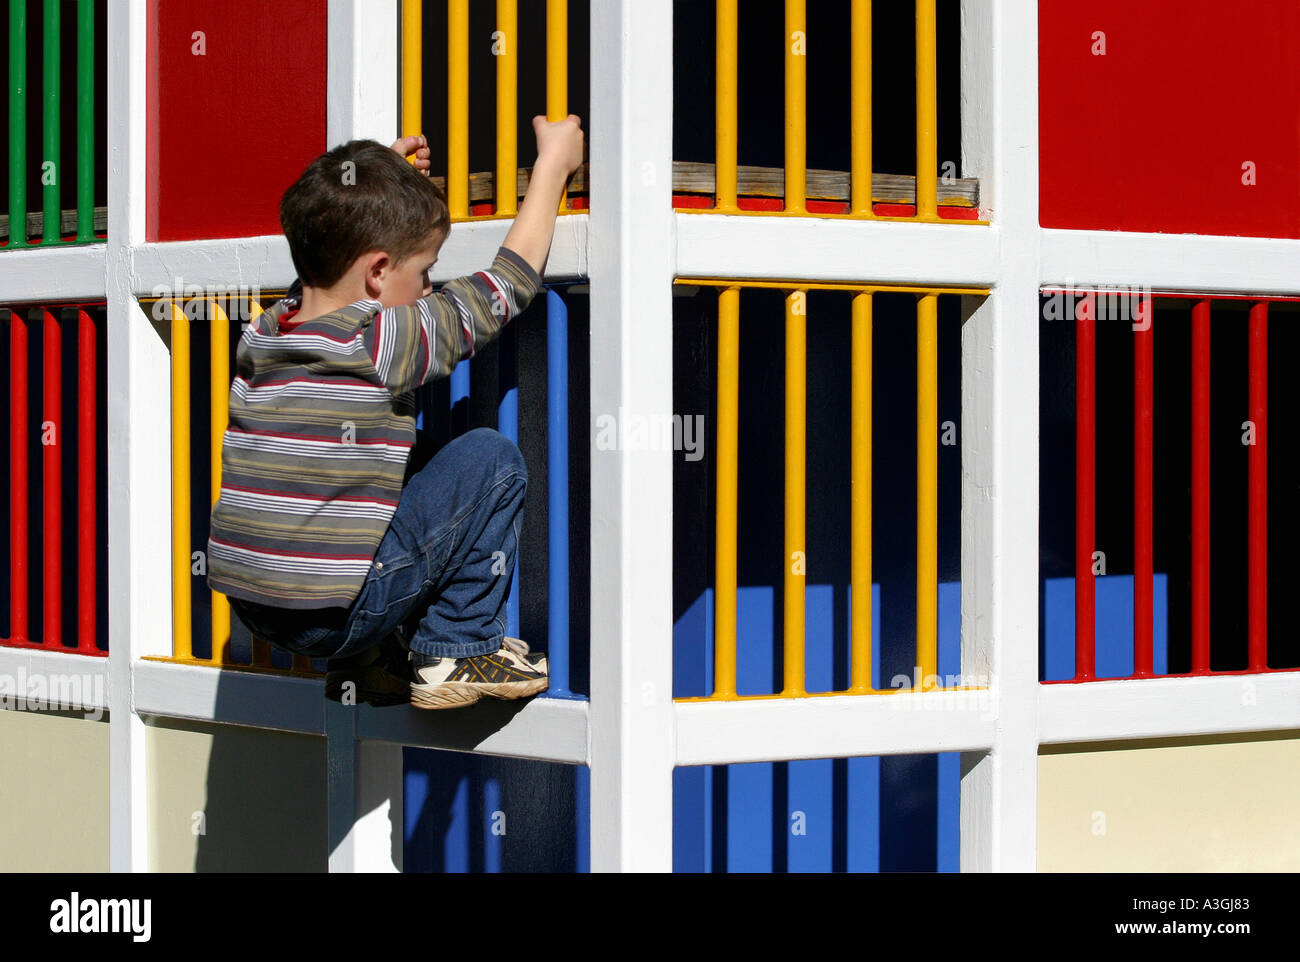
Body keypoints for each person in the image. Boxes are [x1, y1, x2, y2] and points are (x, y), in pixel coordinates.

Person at [206, 115, 586, 709]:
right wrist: (552, 168)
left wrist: (374, 182)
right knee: (490, 459)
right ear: (378, 272)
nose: (431, 287)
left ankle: (371, 664)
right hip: (335, 613)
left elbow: (329, 247)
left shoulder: (266, 331)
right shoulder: (379, 341)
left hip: (255, 606)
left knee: (390, 463)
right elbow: (504, 288)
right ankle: (457, 650)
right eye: (426, 271)